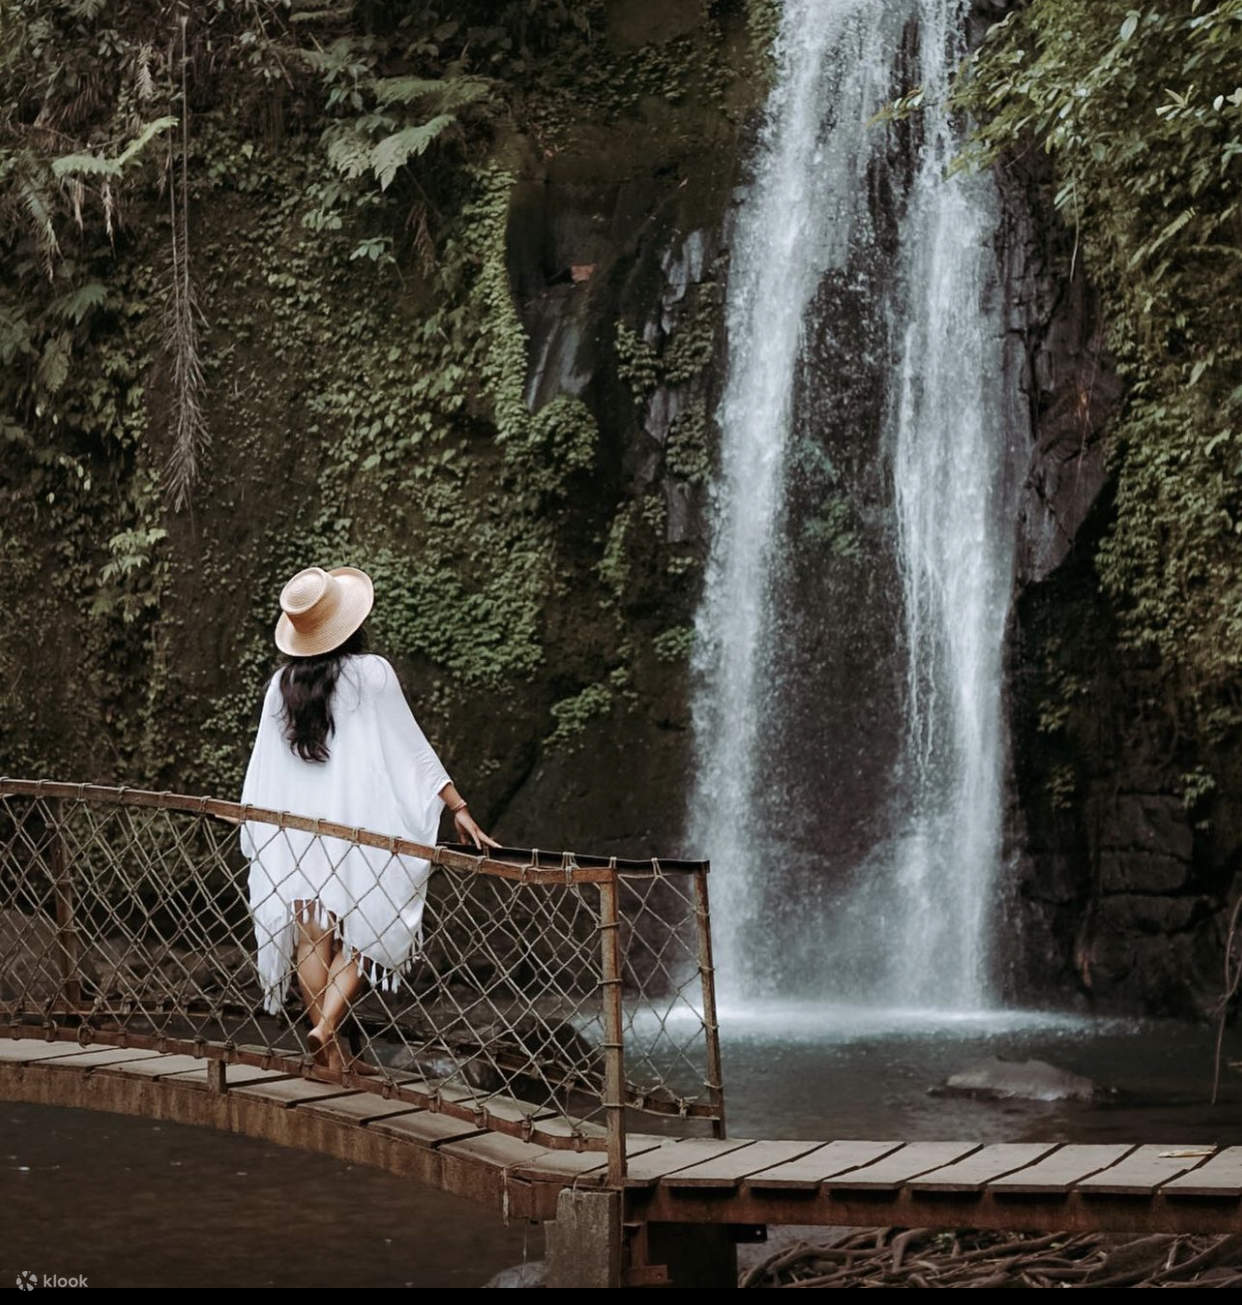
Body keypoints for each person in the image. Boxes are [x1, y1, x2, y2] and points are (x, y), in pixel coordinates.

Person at [239, 565, 497, 1077]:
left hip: (296, 836)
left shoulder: (280, 686)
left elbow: (264, 767)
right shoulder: (372, 673)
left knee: (311, 940)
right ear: (348, 623)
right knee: (370, 926)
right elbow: (410, 746)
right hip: (359, 833)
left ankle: (332, 1054)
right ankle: (327, 1028)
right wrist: (457, 806)